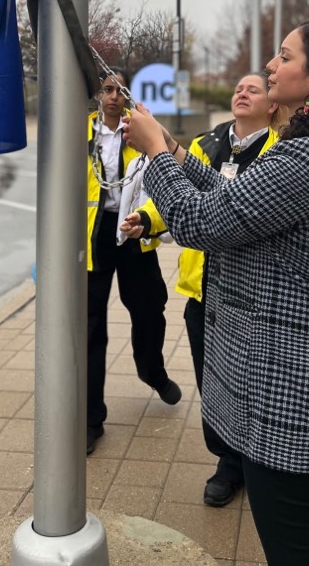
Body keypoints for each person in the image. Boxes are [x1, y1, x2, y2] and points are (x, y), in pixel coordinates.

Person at [122, 20, 309, 566]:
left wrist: (154, 155)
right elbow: (234, 197)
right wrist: (174, 150)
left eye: (283, 56)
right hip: (305, 383)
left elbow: (203, 222)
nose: (270, 66)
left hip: (294, 395)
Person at [123, 74, 280, 508]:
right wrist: (148, 219)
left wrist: (157, 148)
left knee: (250, 383)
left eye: (256, 88)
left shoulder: (279, 154)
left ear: (274, 105)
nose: (243, 92)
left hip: (249, 293)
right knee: (211, 383)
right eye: (239, 88)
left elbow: (221, 207)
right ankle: (228, 462)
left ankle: (257, 461)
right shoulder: (205, 144)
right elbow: (177, 195)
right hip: (202, 292)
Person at [86, 69, 181, 456]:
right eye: (106, 89)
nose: (112, 96)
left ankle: (151, 369)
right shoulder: (82, 133)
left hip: (134, 232)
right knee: (90, 328)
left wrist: (146, 220)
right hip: (92, 236)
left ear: (127, 96)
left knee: (148, 309)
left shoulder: (140, 133)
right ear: (97, 94)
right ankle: (91, 419)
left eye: (119, 90)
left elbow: (162, 183)